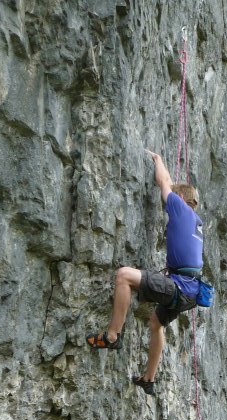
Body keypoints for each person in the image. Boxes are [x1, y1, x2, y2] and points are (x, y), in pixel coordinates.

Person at [86, 150, 204, 396]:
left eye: (175, 194)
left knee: (124, 276)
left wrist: (159, 160)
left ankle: (112, 335)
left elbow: (164, 182)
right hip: (190, 291)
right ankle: (148, 378)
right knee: (156, 323)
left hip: (179, 287)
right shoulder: (195, 220)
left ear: (181, 197)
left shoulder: (180, 209)